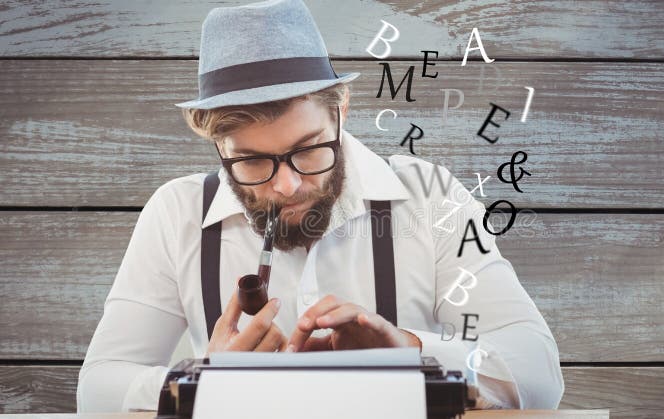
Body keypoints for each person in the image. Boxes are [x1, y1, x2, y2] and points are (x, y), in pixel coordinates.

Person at [77, 0, 564, 412]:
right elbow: (96, 388)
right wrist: (201, 384)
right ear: (219, 146)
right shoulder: (176, 214)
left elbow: (539, 373)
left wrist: (412, 352)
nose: (286, 186)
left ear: (341, 110)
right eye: (250, 160)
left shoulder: (433, 197)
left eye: (309, 149)